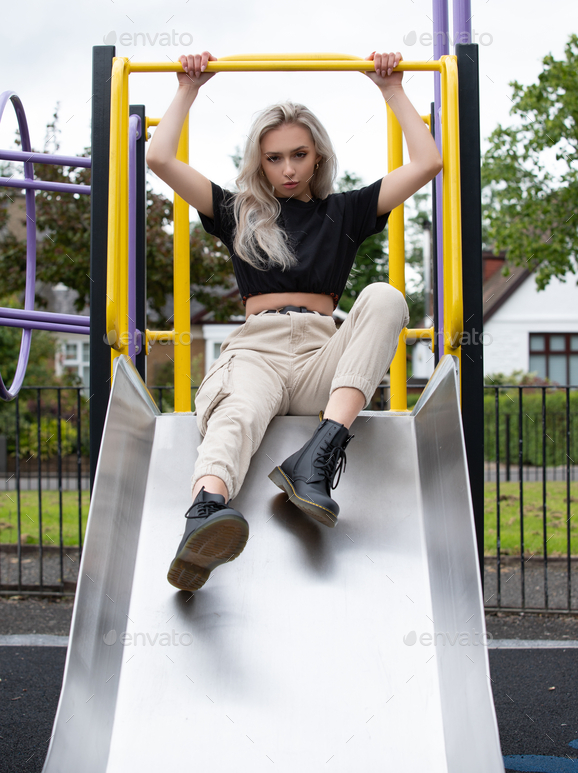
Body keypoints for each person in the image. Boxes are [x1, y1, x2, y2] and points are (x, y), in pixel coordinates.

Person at [146, 51, 443, 592]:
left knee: (383, 296)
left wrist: (392, 87)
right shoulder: (238, 210)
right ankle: (205, 513)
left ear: (317, 156)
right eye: (275, 157)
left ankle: (317, 457)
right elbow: (160, 158)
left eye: (299, 155)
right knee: (236, 411)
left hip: (319, 362)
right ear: (259, 161)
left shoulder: (346, 210)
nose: (287, 169)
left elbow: (427, 162)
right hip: (256, 353)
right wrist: (188, 87)